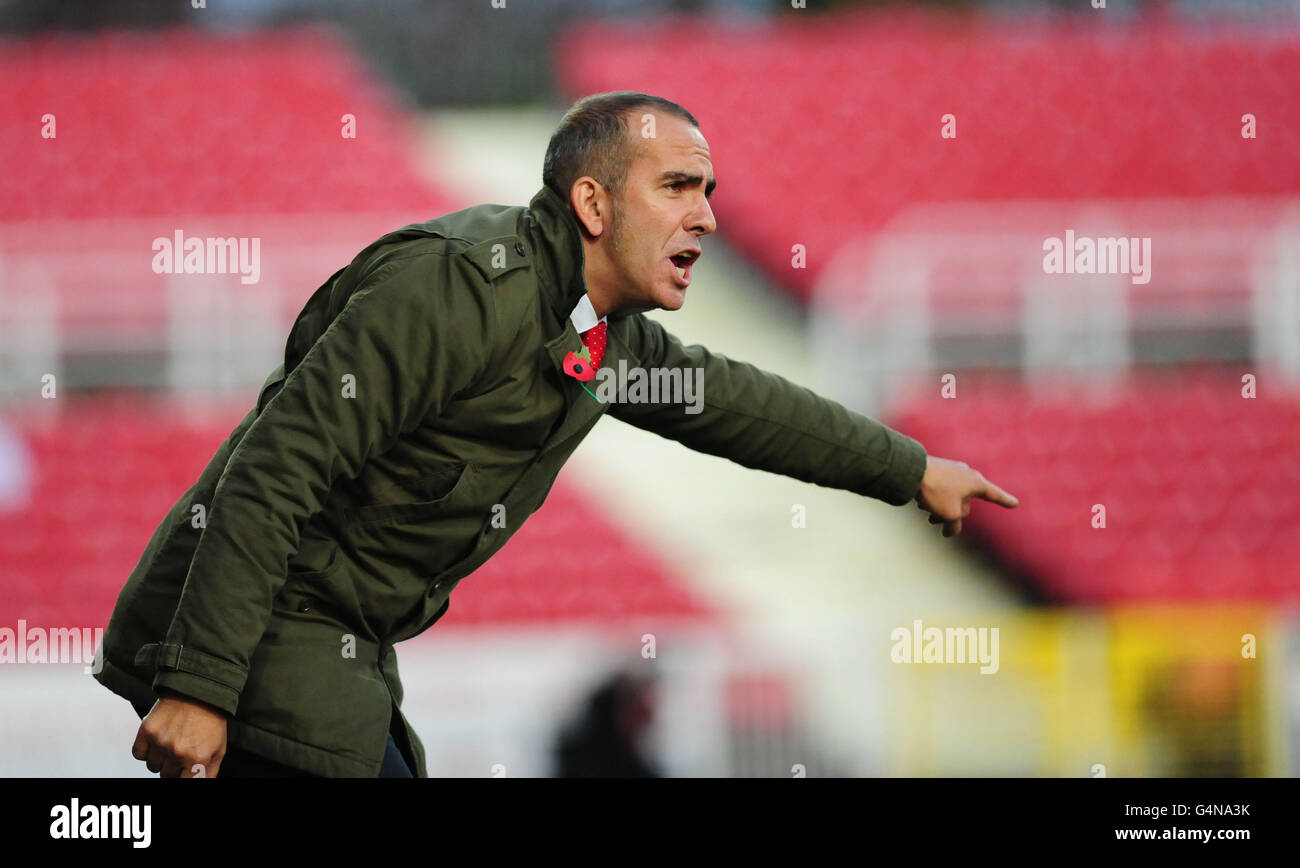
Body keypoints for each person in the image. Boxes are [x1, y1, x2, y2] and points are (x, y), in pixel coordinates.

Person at [93, 91, 1018, 778]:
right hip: (252, 637)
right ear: (592, 204)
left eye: (709, 190)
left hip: (334, 653)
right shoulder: (454, 289)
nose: (705, 213)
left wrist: (911, 468)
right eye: (677, 186)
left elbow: (735, 405)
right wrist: (199, 686)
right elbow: (270, 473)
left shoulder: (598, 333)